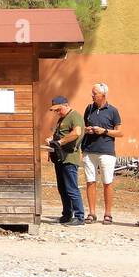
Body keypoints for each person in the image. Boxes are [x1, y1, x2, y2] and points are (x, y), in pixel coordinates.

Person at [81, 81, 122, 224]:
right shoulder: (89, 108)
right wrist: (87, 130)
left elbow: (120, 132)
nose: (92, 95)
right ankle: (91, 213)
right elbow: (84, 126)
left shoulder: (113, 111)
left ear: (103, 95)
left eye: (95, 93)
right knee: (90, 182)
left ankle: (108, 214)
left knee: (107, 182)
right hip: (89, 150)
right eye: (92, 93)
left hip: (106, 151)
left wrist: (104, 131)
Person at [43, 95, 85, 226]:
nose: (57, 112)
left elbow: (77, 132)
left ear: (66, 105)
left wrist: (60, 142)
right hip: (60, 158)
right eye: (55, 110)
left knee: (71, 188)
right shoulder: (62, 119)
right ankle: (67, 214)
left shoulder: (74, 116)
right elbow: (60, 134)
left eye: (58, 109)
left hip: (69, 157)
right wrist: (52, 139)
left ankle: (79, 216)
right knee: (62, 188)